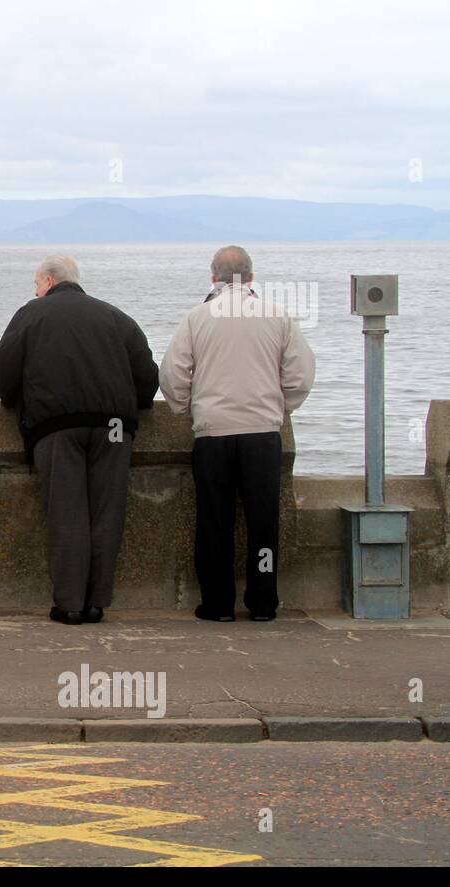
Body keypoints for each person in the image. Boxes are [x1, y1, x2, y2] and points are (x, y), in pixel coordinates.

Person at [0, 254, 158, 625]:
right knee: (106, 513)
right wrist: (138, 404)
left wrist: (10, 400)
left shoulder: (31, 315)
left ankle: (69, 604)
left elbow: (6, 364)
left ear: (49, 282)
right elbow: (147, 373)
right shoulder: (115, 317)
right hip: (113, 426)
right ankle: (97, 602)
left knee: (66, 513)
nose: (35, 290)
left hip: (56, 426)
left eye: (36, 284)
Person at [159, 245, 316, 622]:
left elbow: (172, 375)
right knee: (263, 523)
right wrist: (280, 408)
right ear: (251, 277)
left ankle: (218, 604)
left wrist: (186, 408)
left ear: (212, 277)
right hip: (262, 433)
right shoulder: (277, 316)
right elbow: (301, 374)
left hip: (213, 433)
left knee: (215, 521)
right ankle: (263, 603)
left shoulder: (197, 317)